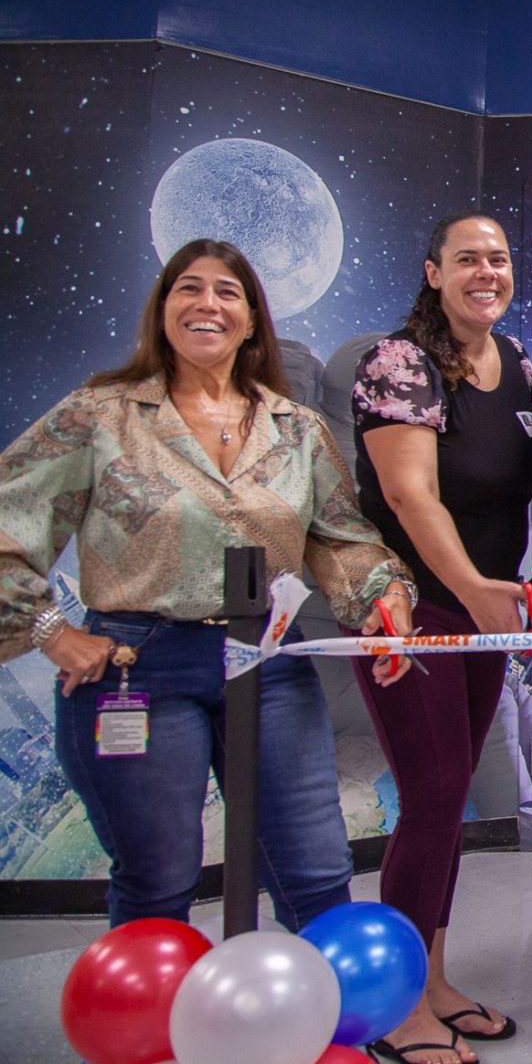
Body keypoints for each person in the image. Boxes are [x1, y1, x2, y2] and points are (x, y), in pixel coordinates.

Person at [0, 240, 413, 931]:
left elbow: (341, 538)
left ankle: (322, 1002)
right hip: (138, 669)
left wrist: (383, 596)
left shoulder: (297, 430)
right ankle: (156, 1006)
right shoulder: (99, 417)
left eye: (227, 292)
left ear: (251, 319)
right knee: (158, 878)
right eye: (188, 288)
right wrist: (50, 630)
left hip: (270, 666)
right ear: (163, 309)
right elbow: (8, 525)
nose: (207, 304)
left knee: (315, 870)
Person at [351, 215, 532, 1064]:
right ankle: (399, 1007)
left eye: (497, 259)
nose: (486, 272)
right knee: (432, 798)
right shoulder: (399, 364)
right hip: (418, 611)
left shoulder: (517, 363)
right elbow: (410, 496)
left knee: (451, 795)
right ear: (433, 272)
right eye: (467, 259)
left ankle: (431, 981)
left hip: (482, 617)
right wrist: (472, 590)